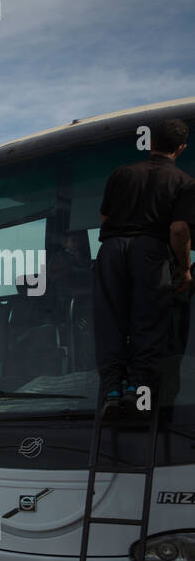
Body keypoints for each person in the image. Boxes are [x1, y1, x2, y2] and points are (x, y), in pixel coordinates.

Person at [94, 118, 195, 418]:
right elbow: (178, 229)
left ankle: (112, 390)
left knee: (110, 323)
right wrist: (184, 268)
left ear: (149, 144)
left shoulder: (121, 173)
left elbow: (104, 217)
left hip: (111, 251)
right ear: (181, 148)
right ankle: (139, 395)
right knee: (148, 325)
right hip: (150, 252)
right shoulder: (185, 182)